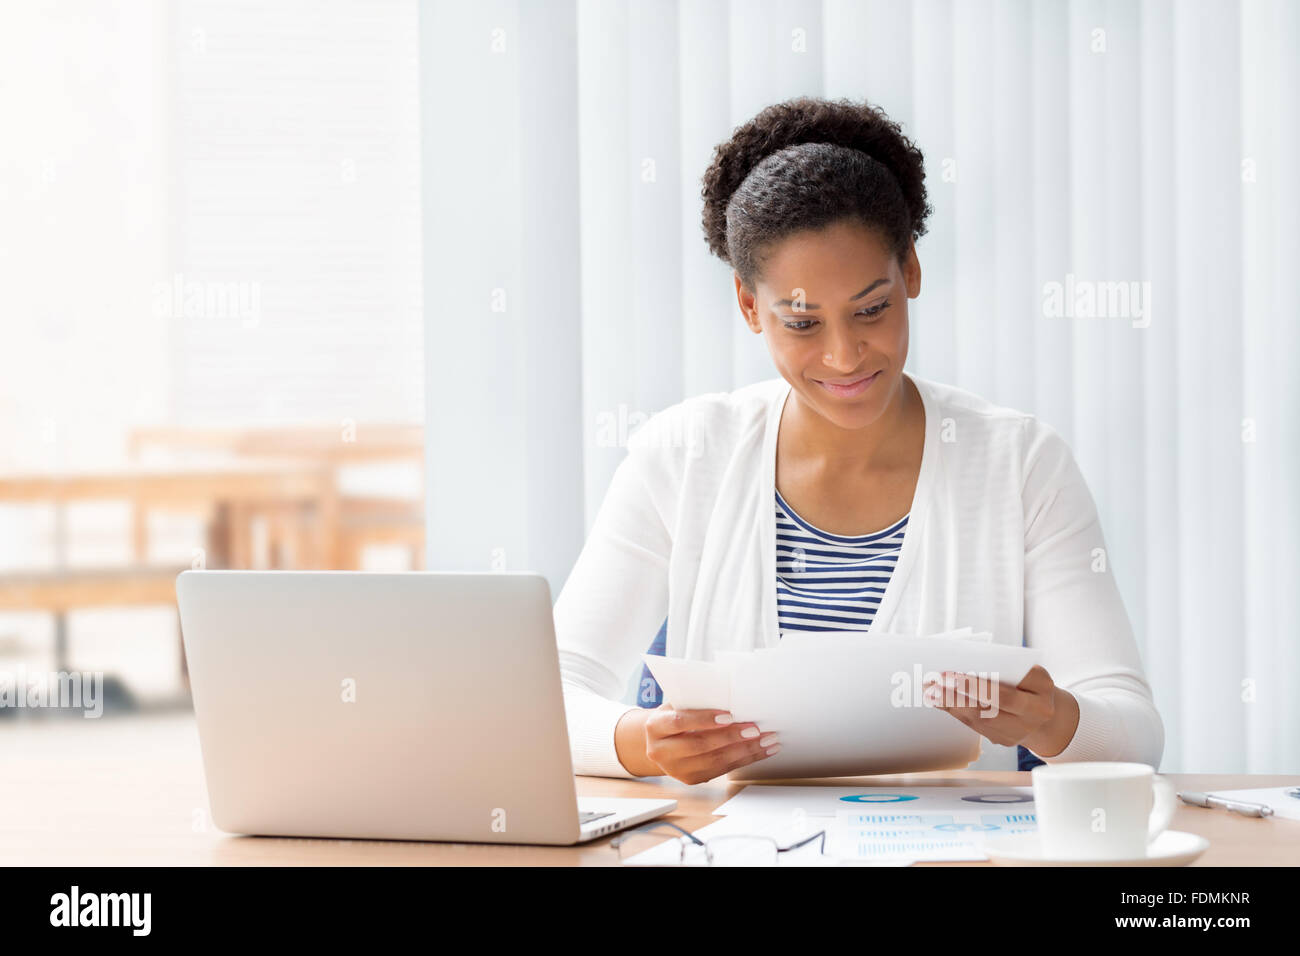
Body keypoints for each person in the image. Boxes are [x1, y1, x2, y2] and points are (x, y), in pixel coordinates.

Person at [553, 95, 1163, 784]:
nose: (845, 357)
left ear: (912, 272)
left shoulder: (1022, 466)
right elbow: (546, 699)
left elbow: (1134, 732)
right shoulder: (683, 456)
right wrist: (641, 741)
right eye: (803, 324)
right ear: (750, 306)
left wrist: (1052, 720)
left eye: (872, 310)